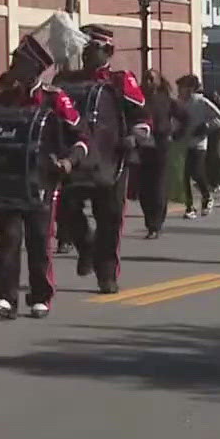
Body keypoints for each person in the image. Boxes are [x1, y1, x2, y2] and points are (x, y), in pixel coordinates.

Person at [0, 15, 89, 320]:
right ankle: (4, 297)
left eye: (18, 58)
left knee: (39, 240)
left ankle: (40, 296)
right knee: (8, 238)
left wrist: (68, 161)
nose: (12, 62)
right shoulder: (4, 97)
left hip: (42, 181)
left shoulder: (55, 99)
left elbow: (81, 136)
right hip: (8, 179)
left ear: (33, 66)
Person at [54, 26, 150, 293]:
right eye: (84, 47)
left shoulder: (120, 81)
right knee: (66, 210)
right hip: (75, 159)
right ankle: (86, 246)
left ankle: (106, 273)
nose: (86, 53)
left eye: (93, 47)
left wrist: (135, 136)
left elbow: (142, 117)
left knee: (109, 219)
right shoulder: (66, 80)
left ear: (108, 51)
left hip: (111, 161)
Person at [132, 70, 177, 239]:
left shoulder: (166, 100)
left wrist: (176, 134)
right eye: (146, 79)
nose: (148, 82)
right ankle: (149, 221)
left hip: (161, 147)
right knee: (144, 189)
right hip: (142, 148)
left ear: (158, 82)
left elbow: (184, 116)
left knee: (157, 186)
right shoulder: (138, 100)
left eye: (152, 79)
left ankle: (155, 225)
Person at [176, 75, 220, 217]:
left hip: (199, 144)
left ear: (190, 88)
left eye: (182, 87)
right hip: (183, 143)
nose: (179, 90)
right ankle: (189, 207)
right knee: (184, 176)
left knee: (196, 172)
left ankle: (207, 195)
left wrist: (206, 126)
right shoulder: (179, 103)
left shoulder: (201, 102)